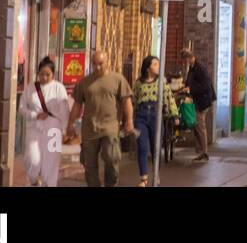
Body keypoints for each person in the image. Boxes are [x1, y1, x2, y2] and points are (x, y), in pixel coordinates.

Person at [68, 50, 133, 187]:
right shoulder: (84, 83)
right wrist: (70, 124)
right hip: (89, 129)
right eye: (94, 64)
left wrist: (129, 121)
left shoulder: (118, 79)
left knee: (111, 158)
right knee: (89, 163)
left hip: (110, 128)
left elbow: (126, 102)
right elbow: (77, 105)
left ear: (107, 62)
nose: (97, 67)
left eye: (101, 64)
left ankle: (110, 184)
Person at [20, 57, 70, 187]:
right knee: (32, 158)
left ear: (53, 74)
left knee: (52, 160)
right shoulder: (31, 88)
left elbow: (64, 111)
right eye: (42, 74)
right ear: (38, 73)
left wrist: (65, 130)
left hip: (54, 128)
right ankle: (34, 181)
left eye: (48, 74)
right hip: (34, 127)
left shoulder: (59, 88)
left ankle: (50, 184)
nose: (44, 77)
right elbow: (22, 108)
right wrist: (34, 115)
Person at [131, 55, 178, 187]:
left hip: (155, 116)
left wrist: (174, 114)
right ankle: (143, 178)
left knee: (155, 148)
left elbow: (169, 97)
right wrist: (128, 118)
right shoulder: (138, 83)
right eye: (155, 64)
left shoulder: (161, 82)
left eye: (158, 64)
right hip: (141, 116)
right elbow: (132, 101)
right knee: (142, 147)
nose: (158, 66)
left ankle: (156, 174)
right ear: (147, 68)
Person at [179, 48, 214, 162]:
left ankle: (204, 152)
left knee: (199, 125)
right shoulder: (193, 68)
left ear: (189, 58)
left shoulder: (200, 68)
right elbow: (190, 81)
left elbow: (205, 86)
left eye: (185, 61)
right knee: (196, 125)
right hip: (199, 100)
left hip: (203, 101)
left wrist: (190, 88)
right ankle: (201, 151)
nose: (185, 63)